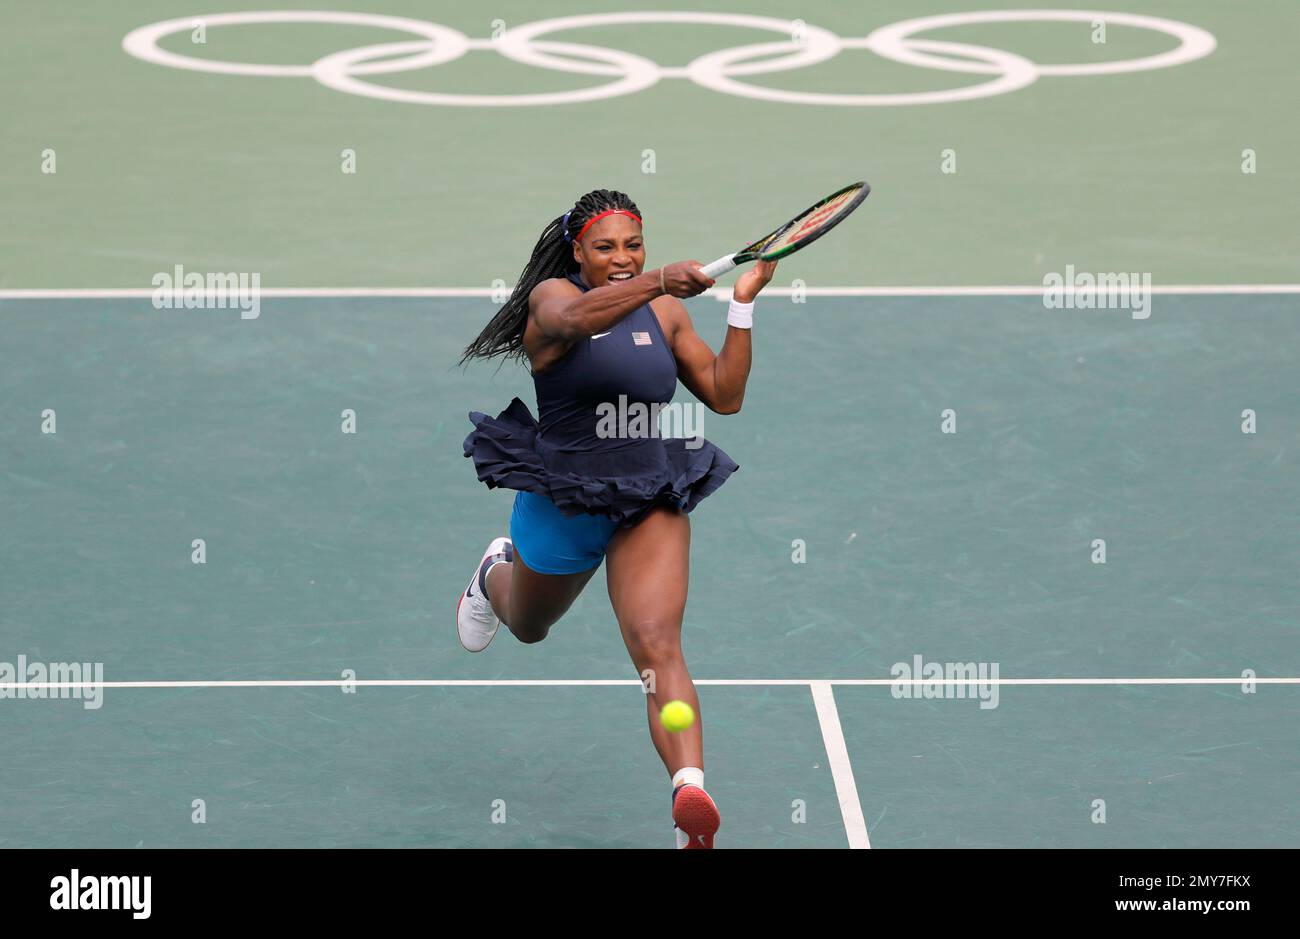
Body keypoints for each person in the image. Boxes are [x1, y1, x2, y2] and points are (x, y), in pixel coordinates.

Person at [457, 188, 775, 848]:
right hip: (564, 493)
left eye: (635, 246)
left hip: (646, 493)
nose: (622, 258)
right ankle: (493, 573)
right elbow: (573, 322)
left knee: (657, 641)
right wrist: (658, 279)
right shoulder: (552, 300)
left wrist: (741, 304)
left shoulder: (665, 313)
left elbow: (724, 393)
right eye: (606, 247)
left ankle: (689, 790)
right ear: (578, 251)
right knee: (528, 625)